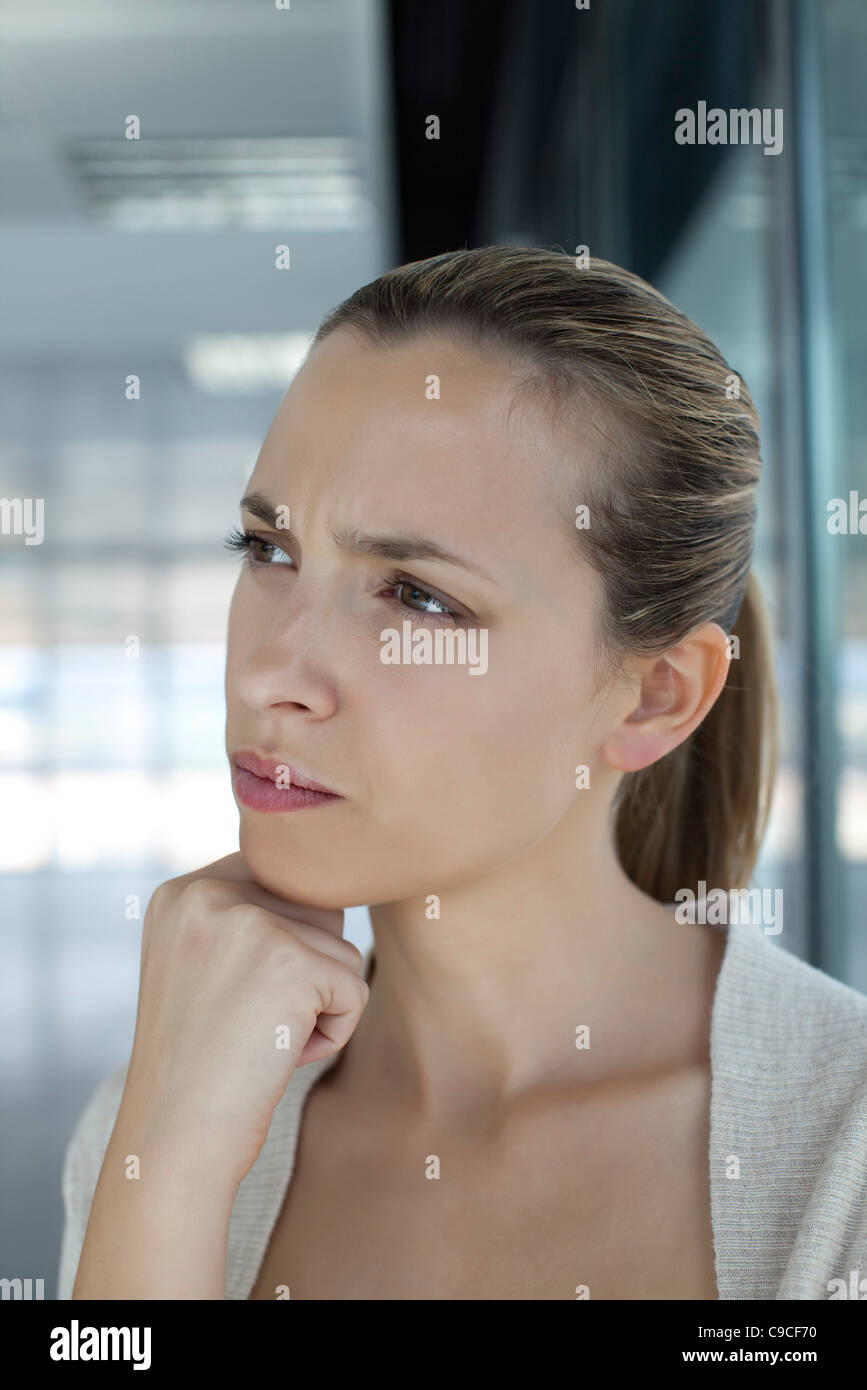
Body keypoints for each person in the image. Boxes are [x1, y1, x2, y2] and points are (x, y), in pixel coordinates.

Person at [58, 247, 867, 1301]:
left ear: (657, 693)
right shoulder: (168, 1112)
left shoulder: (837, 1157)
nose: (272, 673)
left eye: (415, 597)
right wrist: (161, 1175)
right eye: (268, 550)